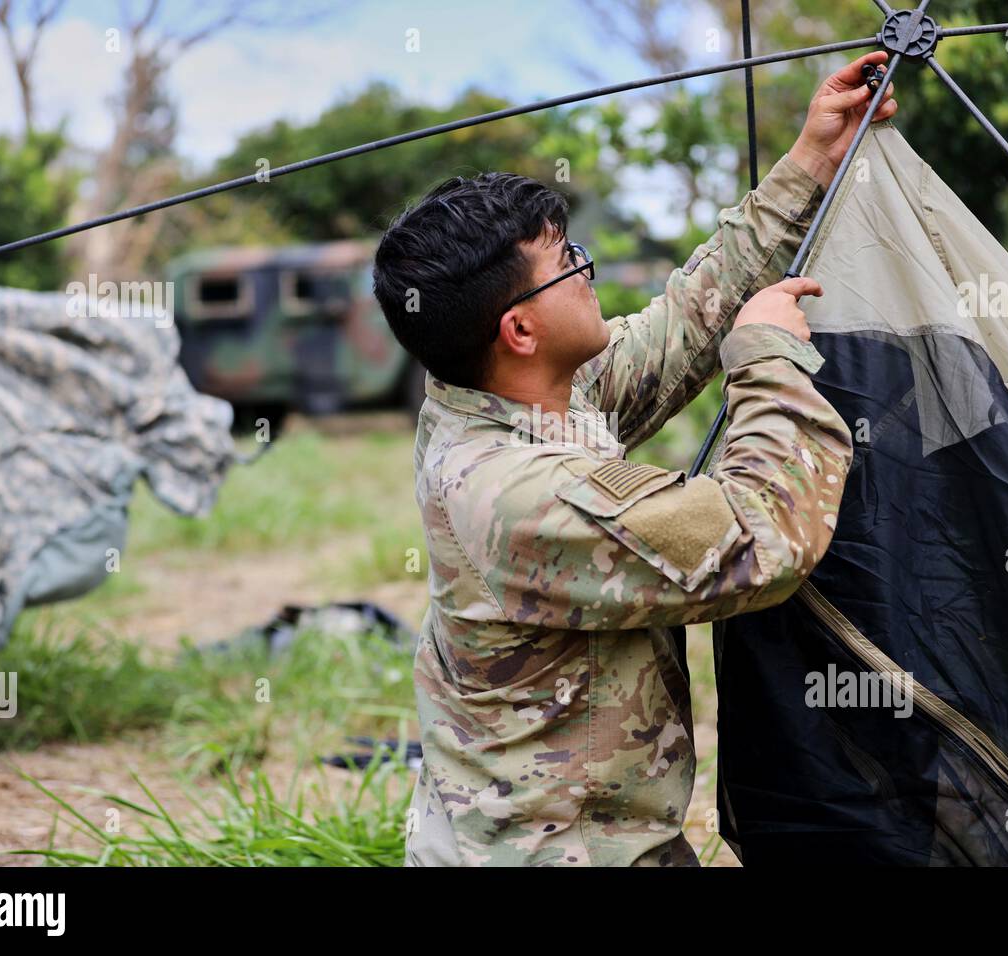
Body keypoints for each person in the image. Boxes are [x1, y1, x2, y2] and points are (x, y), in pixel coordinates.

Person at [371, 51, 897, 866]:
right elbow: (767, 535)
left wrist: (808, 163)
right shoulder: (516, 493)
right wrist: (766, 358)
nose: (589, 273)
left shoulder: (514, 395)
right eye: (568, 265)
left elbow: (679, 327)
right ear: (519, 329)